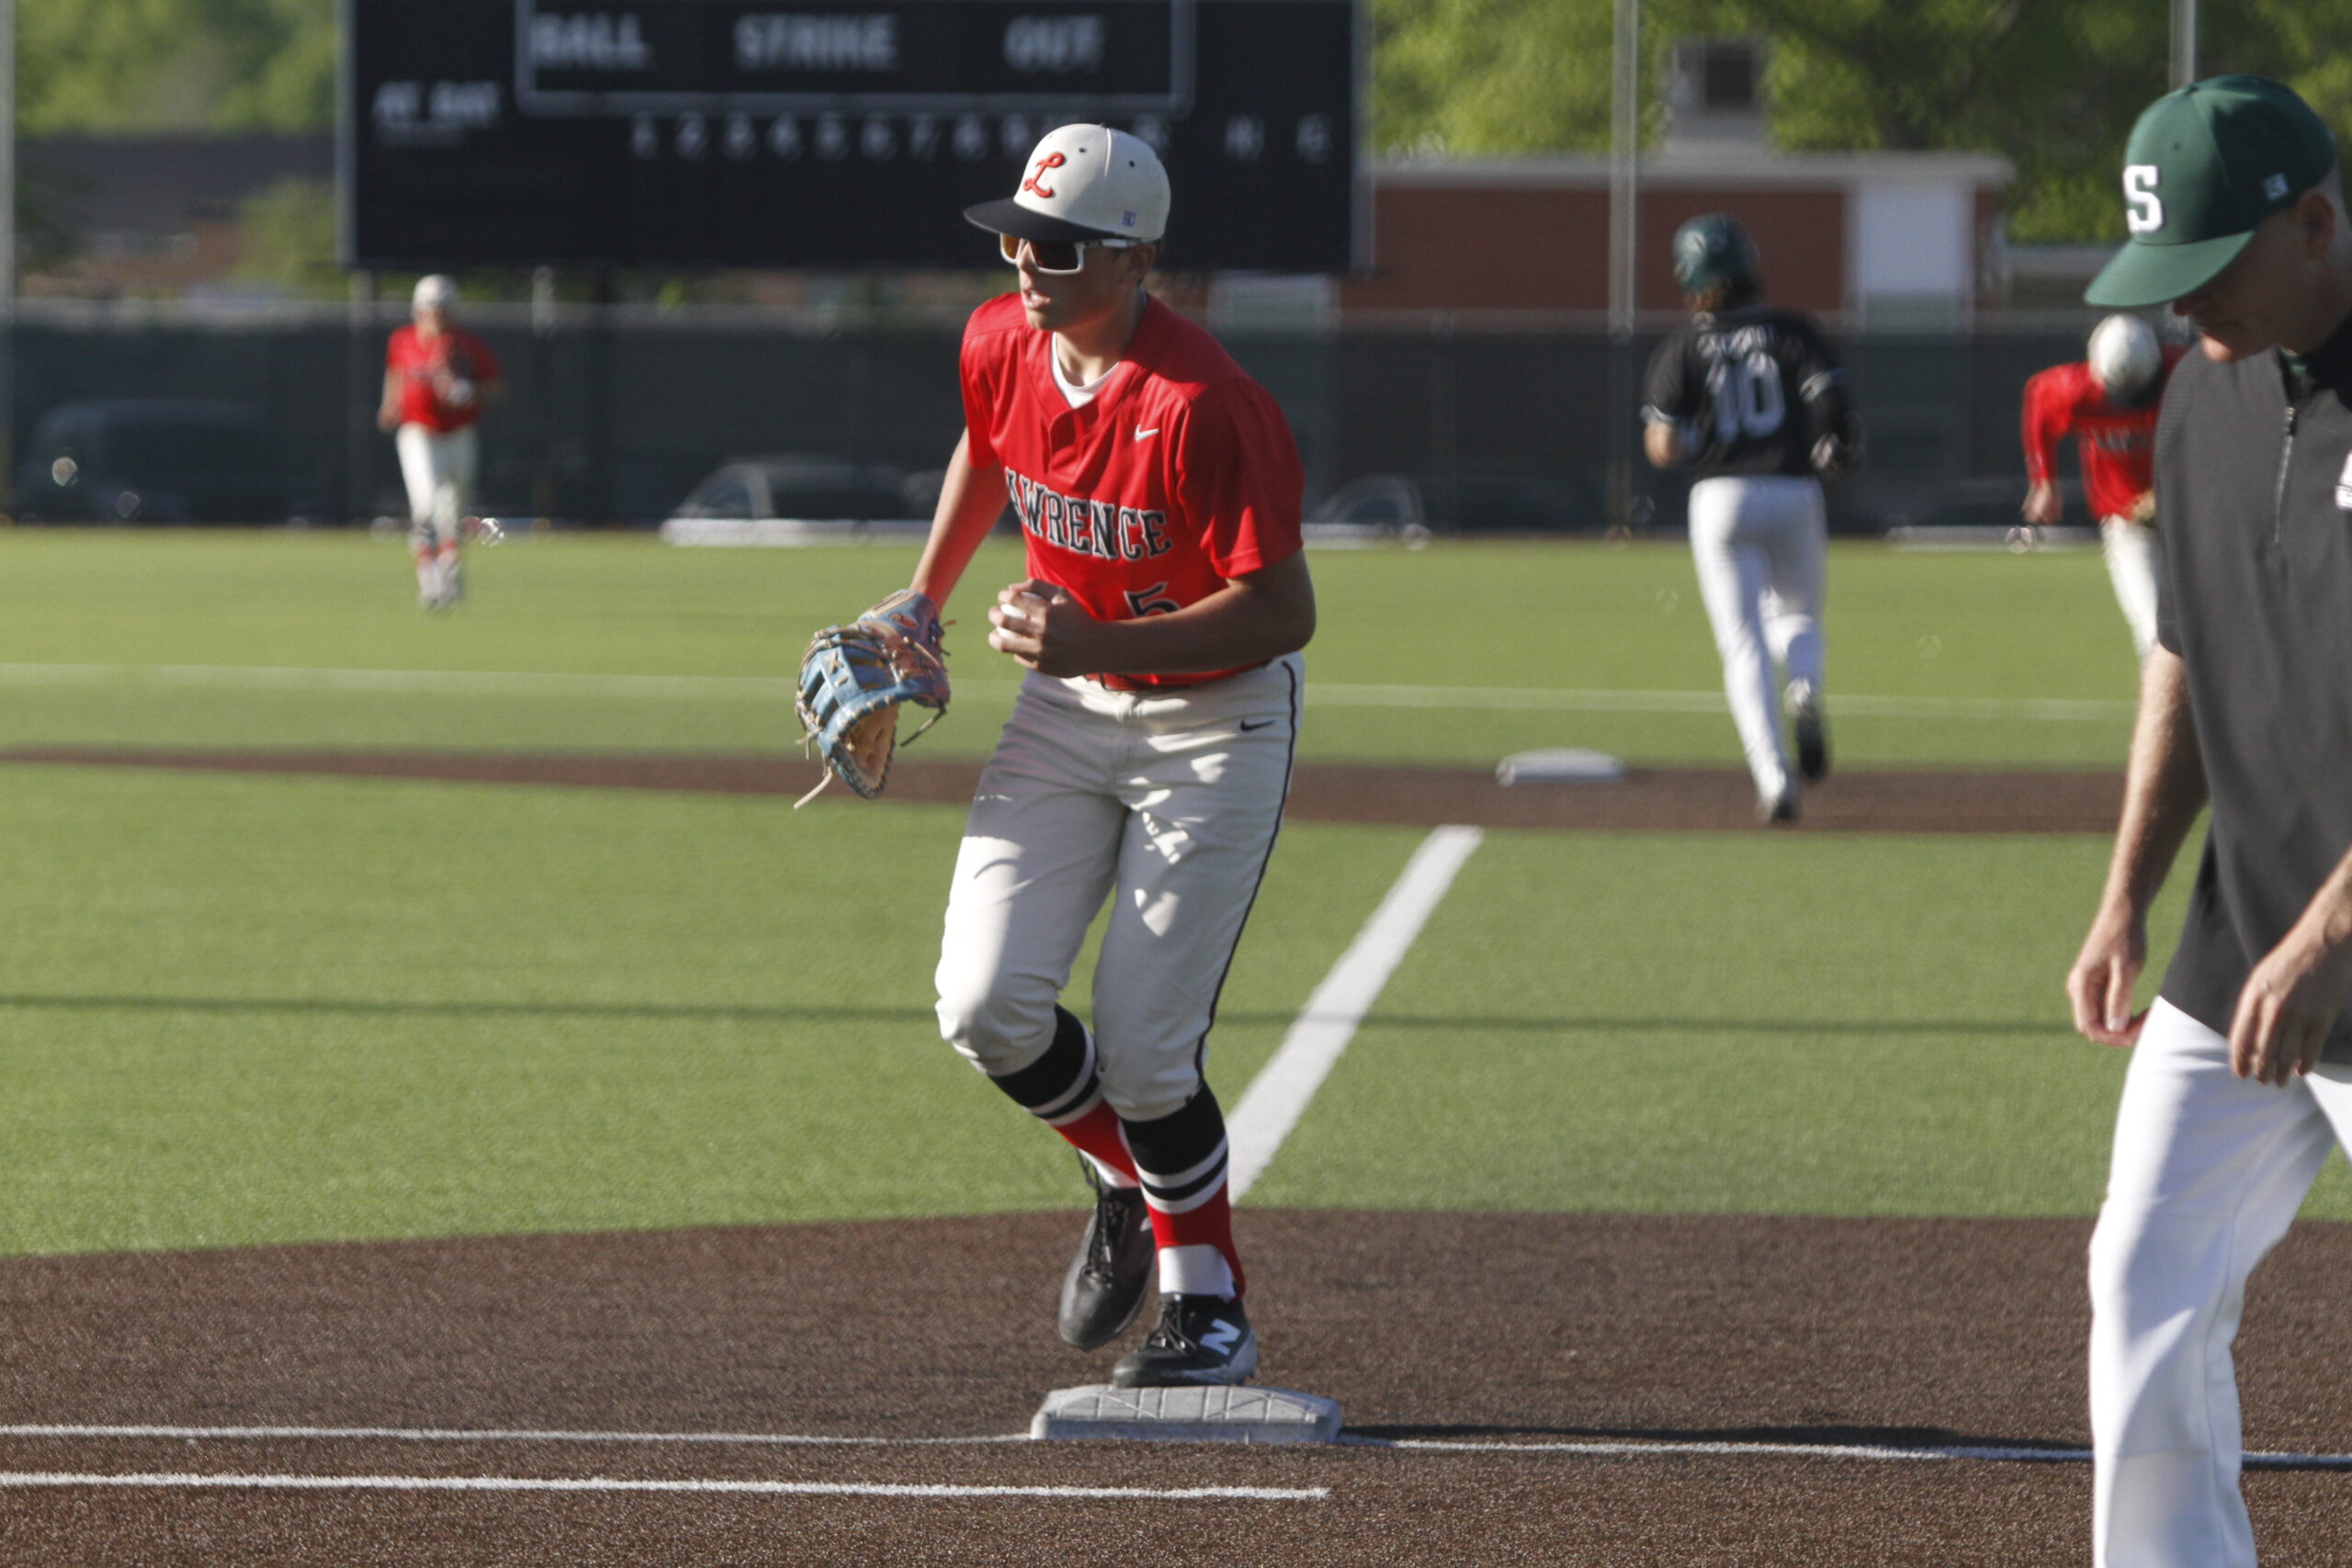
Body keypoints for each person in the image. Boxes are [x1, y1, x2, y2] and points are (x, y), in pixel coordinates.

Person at [900, 125, 1314, 1386]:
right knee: (983, 1004)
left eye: (1060, 246)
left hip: (1215, 717)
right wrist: (919, 602)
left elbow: (1283, 609)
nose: (1027, 261)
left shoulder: (1207, 403)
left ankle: (1209, 1302)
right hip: (1070, 708)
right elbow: (990, 443)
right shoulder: (996, 337)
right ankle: (1124, 1175)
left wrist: (1081, 632)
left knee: (1143, 1044)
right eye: (1016, 236)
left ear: (1137, 259)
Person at [2066, 73, 2352, 1568]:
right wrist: (2128, 889)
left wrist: (2331, 932)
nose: (2182, 311)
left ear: (2316, 222)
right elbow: (2187, 646)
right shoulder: (2201, 394)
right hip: (2244, 928)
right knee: (2147, 1273)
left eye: (2209, 270)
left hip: (2337, 931)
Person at [1640, 213, 1860, 824]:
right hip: (1792, 490)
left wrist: (1686, 437)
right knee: (1798, 618)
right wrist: (1836, 445)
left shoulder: (1681, 347)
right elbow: (1832, 405)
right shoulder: (1793, 331)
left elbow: (1660, 444)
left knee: (1742, 644)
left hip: (1720, 497)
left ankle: (1774, 777)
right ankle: (1807, 685)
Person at [2020, 313, 2182, 660]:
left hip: (2193, 522)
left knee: (2209, 628)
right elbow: (2038, 403)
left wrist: (2177, 491)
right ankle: (2165, 715)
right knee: (2154, 632)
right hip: (2128, 523)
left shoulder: (2187, 375)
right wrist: (2043, 481)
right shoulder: (2075, 391)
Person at [379, 275, 501, 609]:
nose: (437, 314)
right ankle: (429, 578)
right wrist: (389, 403)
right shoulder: (404, 340)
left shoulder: (467, 344)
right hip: (419, 432)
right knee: (426, 505)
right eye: (432, 307)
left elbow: (494, 384)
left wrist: (470, 392)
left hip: (459, 432)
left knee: (456, 510)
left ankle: (451, 573)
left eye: (443, 307)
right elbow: (396, 372)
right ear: (419, 309)